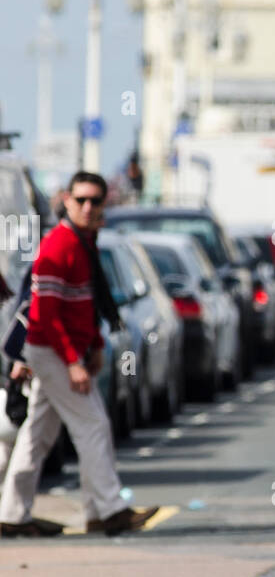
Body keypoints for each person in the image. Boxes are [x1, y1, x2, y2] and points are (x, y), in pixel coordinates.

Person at [0, 171, 159, 537]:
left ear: (104, 205)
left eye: (95, 201)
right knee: (93, 426)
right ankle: (109, 510)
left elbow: (86, 307)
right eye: (81, 200)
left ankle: (13, 514)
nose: (88, 207)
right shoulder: (60, 246)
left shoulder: (84, 243)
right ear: (66, 201)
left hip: (58, 351)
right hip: (51, 351)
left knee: (37, 435)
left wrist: (96, 348)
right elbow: (45, 314)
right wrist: (72, 361)